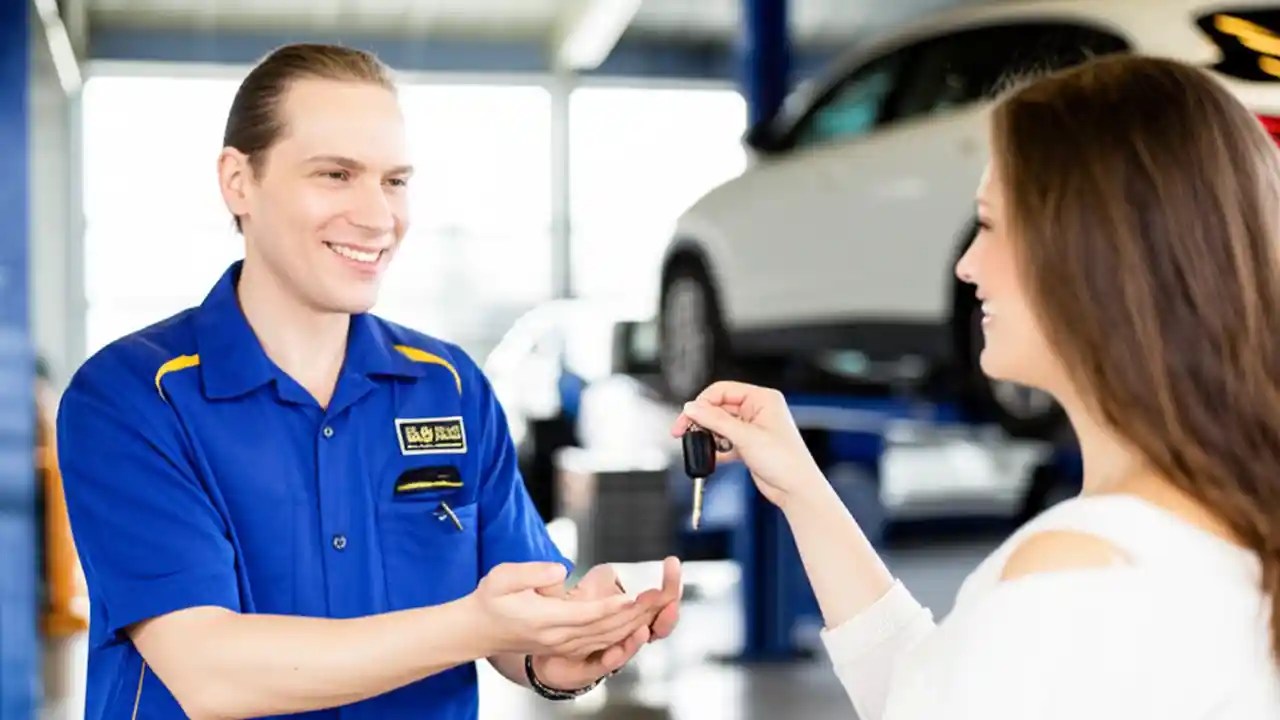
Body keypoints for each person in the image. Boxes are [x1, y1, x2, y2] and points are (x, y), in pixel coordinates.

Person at [56, 43, 680, 720]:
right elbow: (212, 674)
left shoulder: (451, 389)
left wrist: (566, 647)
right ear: (239, 181)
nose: (378, 216)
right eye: (335, 174)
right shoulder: (132, 399)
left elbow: (516, 624)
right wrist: (477, 627)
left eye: (395, 180)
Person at [673, 54, 1280, 719]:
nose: (966, 265)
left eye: (988, 224)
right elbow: (927, 693)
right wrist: (802, 489)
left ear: (1086, 253)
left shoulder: (1075, 577)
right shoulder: (1218, 531)